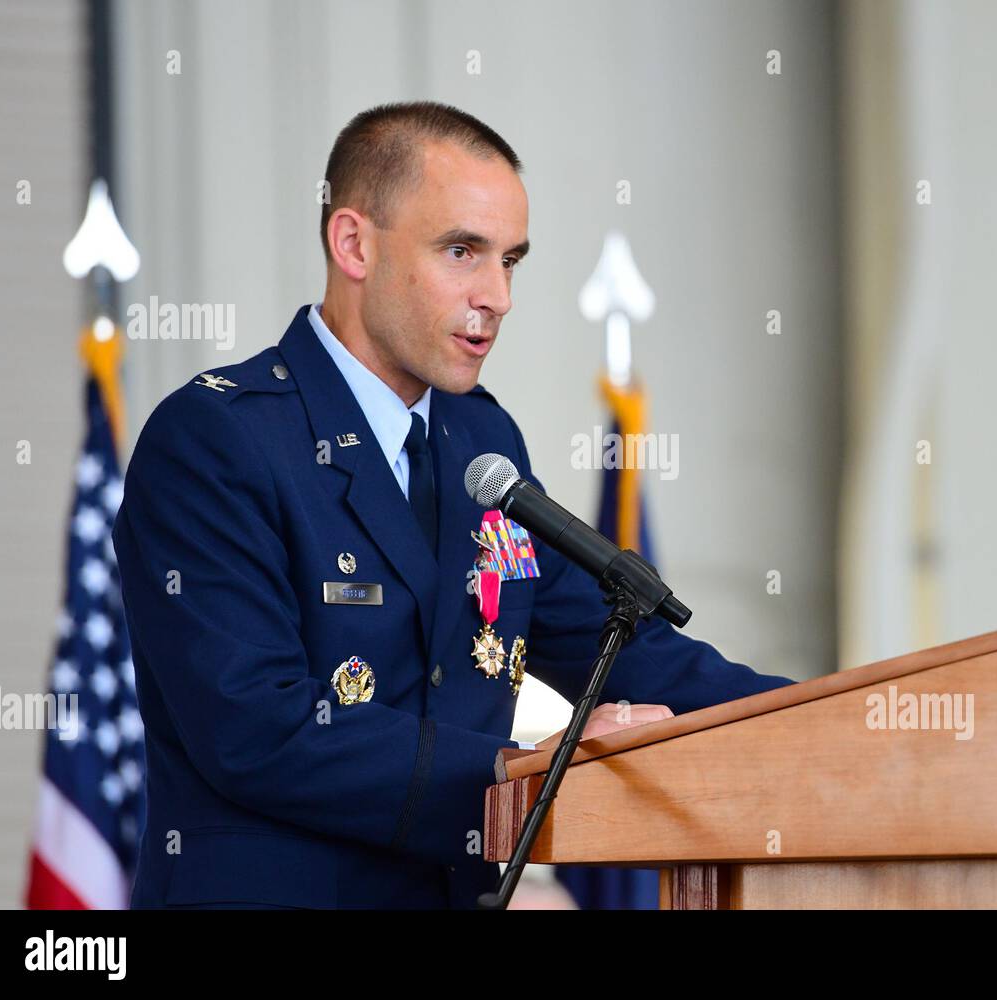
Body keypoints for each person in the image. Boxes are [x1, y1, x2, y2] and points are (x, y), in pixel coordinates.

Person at [113, 101, 794, 909]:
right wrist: (526, 770)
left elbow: (618, 643)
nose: (498, 295)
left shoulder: (480, 440)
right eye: (463, 251)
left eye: (512, 261)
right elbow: (260, 731)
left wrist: (830, 719)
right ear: (354, 243)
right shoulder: (217, 438)